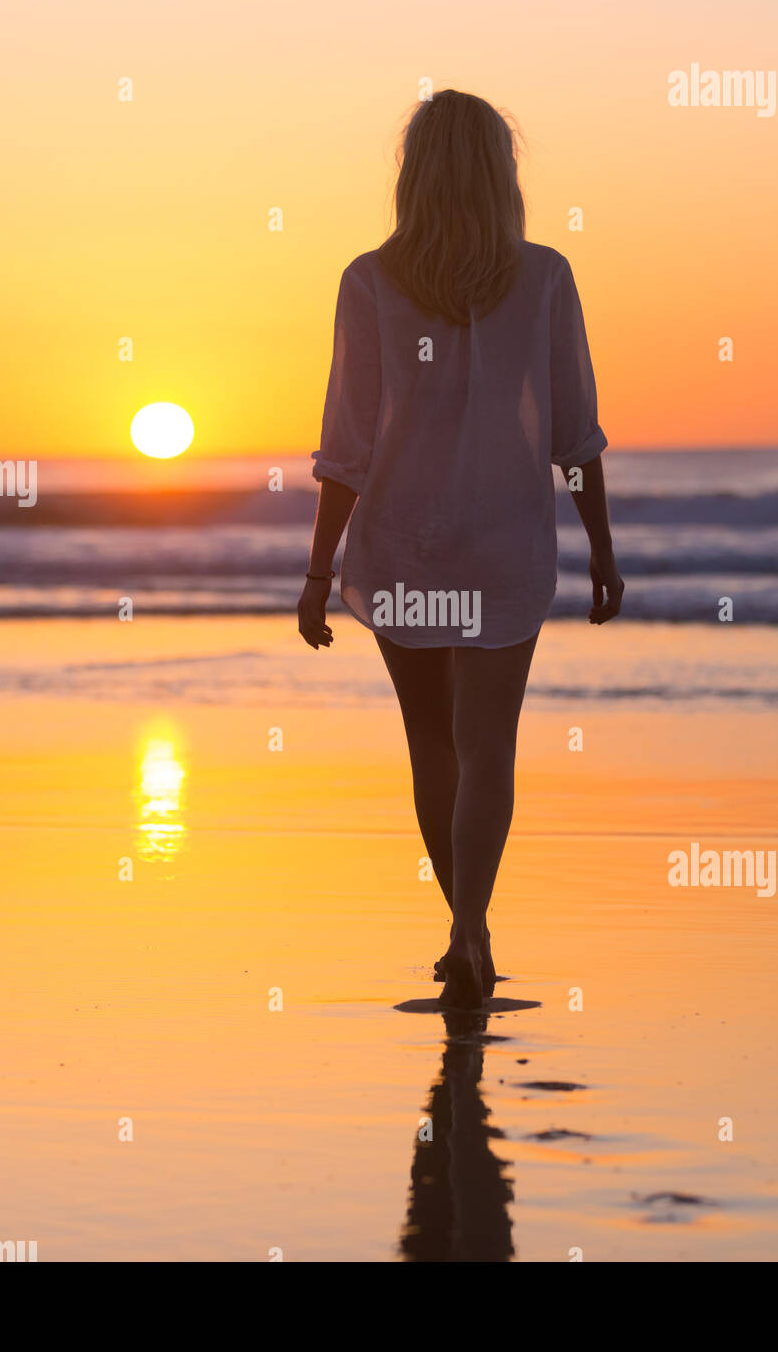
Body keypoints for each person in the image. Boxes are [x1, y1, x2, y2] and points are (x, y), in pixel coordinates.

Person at [299, 90, 623, 1008]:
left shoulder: (369, 281)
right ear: (499, 172)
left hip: (404, 543)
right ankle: (469, 927)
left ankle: (468, 932)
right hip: (504, 546)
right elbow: (576, 437)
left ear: (414, 174)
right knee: (488, 748)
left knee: (431, 750)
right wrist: (602, 549)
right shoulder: (545, 276)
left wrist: (320, 573)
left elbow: (347, 448)